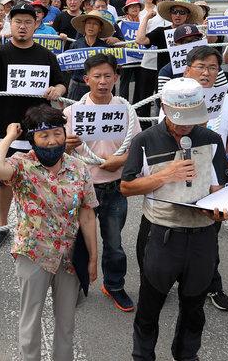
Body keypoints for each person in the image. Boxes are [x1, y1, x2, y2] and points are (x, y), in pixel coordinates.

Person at [120, 78, 228, 361]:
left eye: (191, 119)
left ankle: (186, 355)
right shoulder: (144, 140)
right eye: (179, 120)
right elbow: (126, 187)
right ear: (164, 108)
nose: (186, 127)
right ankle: (143, 356)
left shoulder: (212, 139)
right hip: (161, 232)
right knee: (150, 305)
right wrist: (164, 175)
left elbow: (218, 187)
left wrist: (223, 208)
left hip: (203, 234)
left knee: (194, 307)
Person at [0, 106, 98, 361]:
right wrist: (10, 136)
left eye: (57, 133)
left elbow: (87, 215)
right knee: (30, 323)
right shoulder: (21, 166)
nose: (52, 141)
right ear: (32, 139)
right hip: (33, 253)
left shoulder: (79, 168)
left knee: (66, 323)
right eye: (44, 136)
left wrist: (93, 257)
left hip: (69, 256)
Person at [0, 7, 68, 250]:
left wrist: (58, 90)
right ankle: (3, 225)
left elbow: (61, 83)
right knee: (2, 181)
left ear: (36, 25)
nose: (23, 26)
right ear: (11, 24)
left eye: (28, 22)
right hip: (7, 127)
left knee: (42, 180)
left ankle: (41, 226)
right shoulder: (2, 52)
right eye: (17, 22)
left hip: (40, 128)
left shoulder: (46, 55)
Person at [170, 45, 228, 312]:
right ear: (187, 69)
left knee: (208, 239)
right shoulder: (174, 98)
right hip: (180, 181)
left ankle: (211, 284)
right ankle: (170, 279)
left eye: (212, 67)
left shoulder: (226, 100)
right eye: (200, 66)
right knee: (175, 236)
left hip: (217, 184)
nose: (206, 72)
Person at [63, 54, 140, 313]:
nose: (103, 81)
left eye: (108, 75)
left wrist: (120, 161)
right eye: (97, 76)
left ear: (117, 78)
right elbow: (56, 153)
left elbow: (137, 147)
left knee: (114, 242)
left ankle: (114, 284)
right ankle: (74, 286)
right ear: (86, 80)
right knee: (78, 240)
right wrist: (66, 145)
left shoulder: (126, 110)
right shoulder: (71, 113)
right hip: (82, 187)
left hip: (116, 187)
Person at [156, 23, 228, 92]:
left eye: (195, 40)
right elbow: (162, 99)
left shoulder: (212, 65)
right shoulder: (166, 71)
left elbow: (223, 91)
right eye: (185, 42)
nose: (191, 44)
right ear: (175, 45)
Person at [65, 10, 117, 100]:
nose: (91, 26)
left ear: (100, 28)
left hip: (100, 88)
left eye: (95, 24)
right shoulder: (76, 45)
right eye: (88, 23)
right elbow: (68, 70)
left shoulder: (105, 47)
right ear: (84, 25)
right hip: (77, 87)